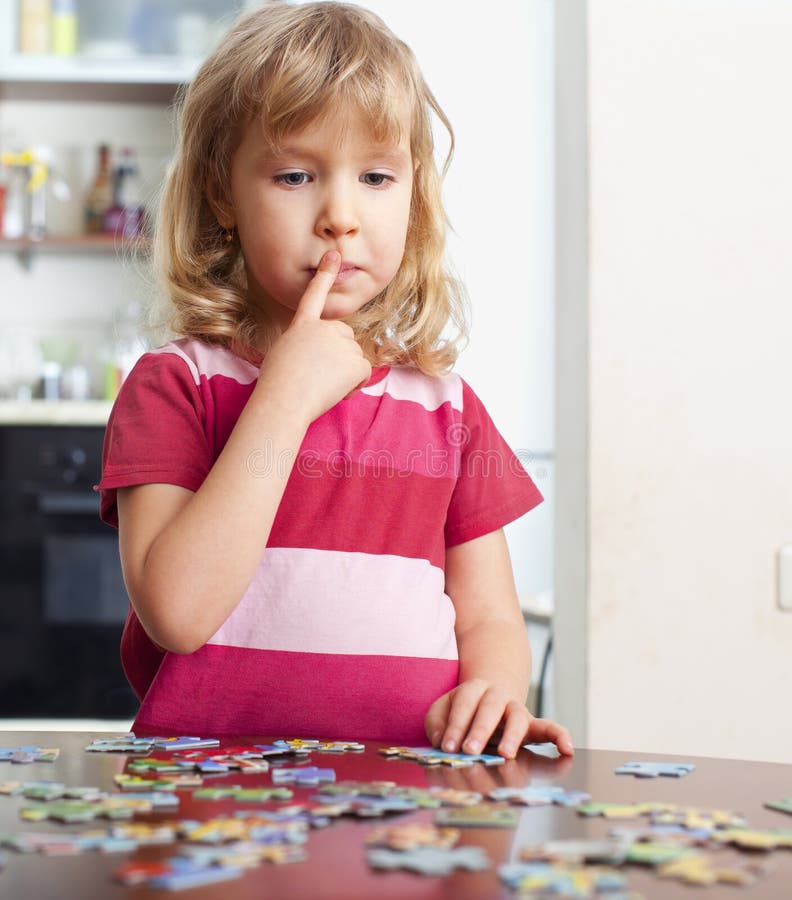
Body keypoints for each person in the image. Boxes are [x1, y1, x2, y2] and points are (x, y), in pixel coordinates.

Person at [98, 1, 573, 760]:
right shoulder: (174, 386)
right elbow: (178, 613)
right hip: (207, 810)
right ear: (223, 192)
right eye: (294, 174)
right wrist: (285, 396)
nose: (341, 216)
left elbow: (489, 618)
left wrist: (496, 689)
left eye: (377, 176)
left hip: (410, 807)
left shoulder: (447, 407)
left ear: (413, 192)